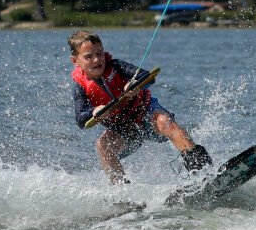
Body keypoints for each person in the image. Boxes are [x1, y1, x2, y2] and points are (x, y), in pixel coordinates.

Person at [68, 29, 211, 184]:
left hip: (146, 113)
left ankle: (202, 171)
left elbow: (148, 77)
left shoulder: (116, 66)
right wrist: (94, 111)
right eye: (89, 56)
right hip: (124, 130)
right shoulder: (80, 87)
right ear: (75, 60)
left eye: (99, 53)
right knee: (103, 146)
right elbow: (80, 119)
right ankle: (121, 189)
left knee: (164, 121)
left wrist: (134, 83)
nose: (96, 60)